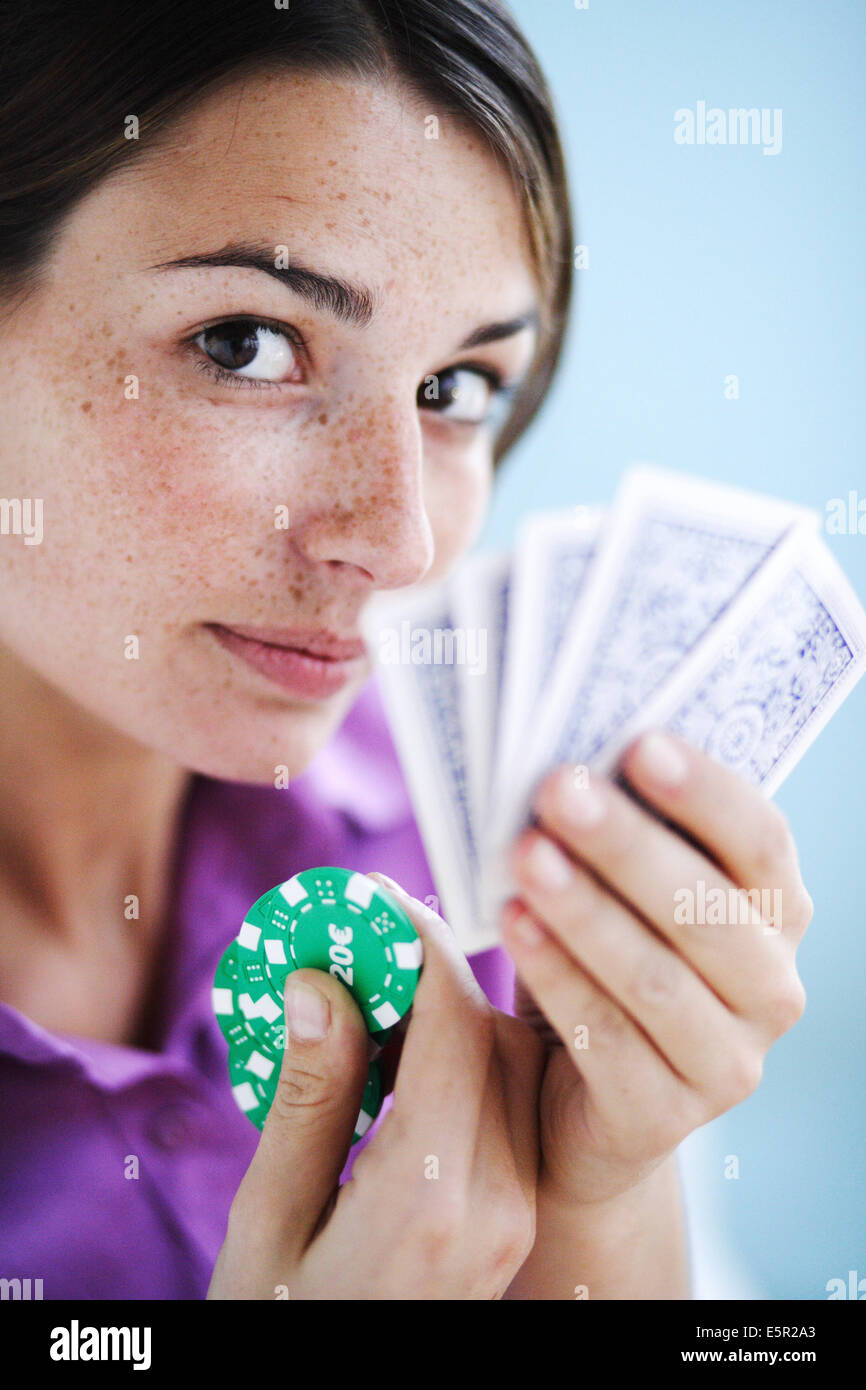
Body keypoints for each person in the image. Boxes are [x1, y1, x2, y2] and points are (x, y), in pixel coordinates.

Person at [0, 0, 811, 1301]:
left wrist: (599, 1202)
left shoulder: (502, 862)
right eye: (246, 345)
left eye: (455, 389)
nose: (400, 542)